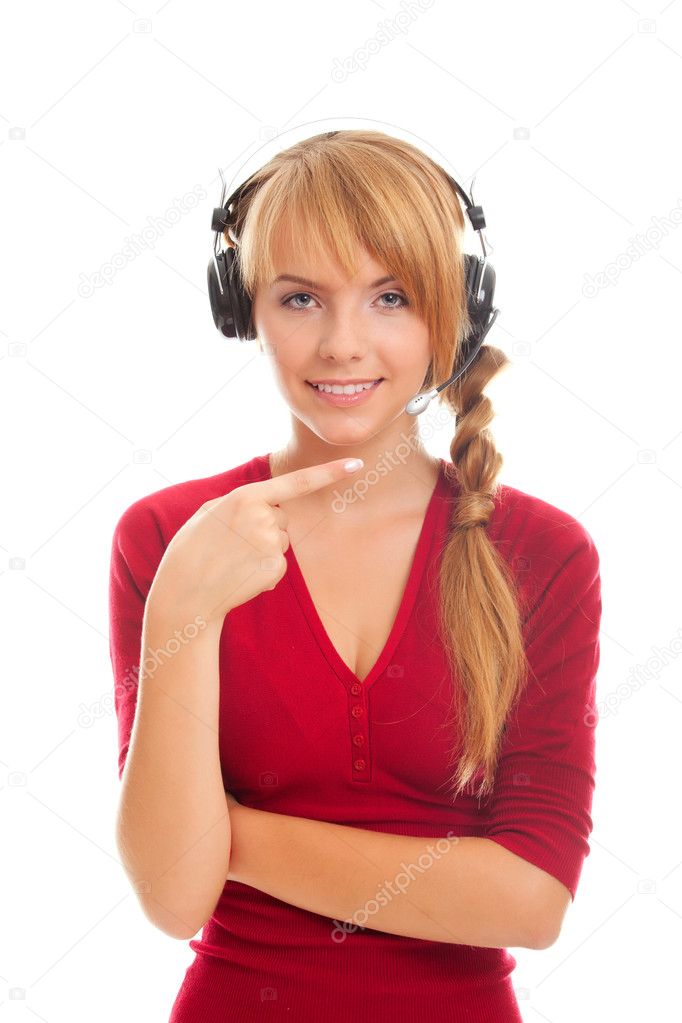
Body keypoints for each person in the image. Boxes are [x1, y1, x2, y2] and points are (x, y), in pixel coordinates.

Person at [109, 129, 602, 1022]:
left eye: (391, 297)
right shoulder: (170, 539)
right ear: (243, 306)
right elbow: (173, 897)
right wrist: (184, 600)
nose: (343, 342)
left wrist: (225, 837)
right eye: (300, 297)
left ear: (456, 311)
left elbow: (530, 900)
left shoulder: (543, 553)